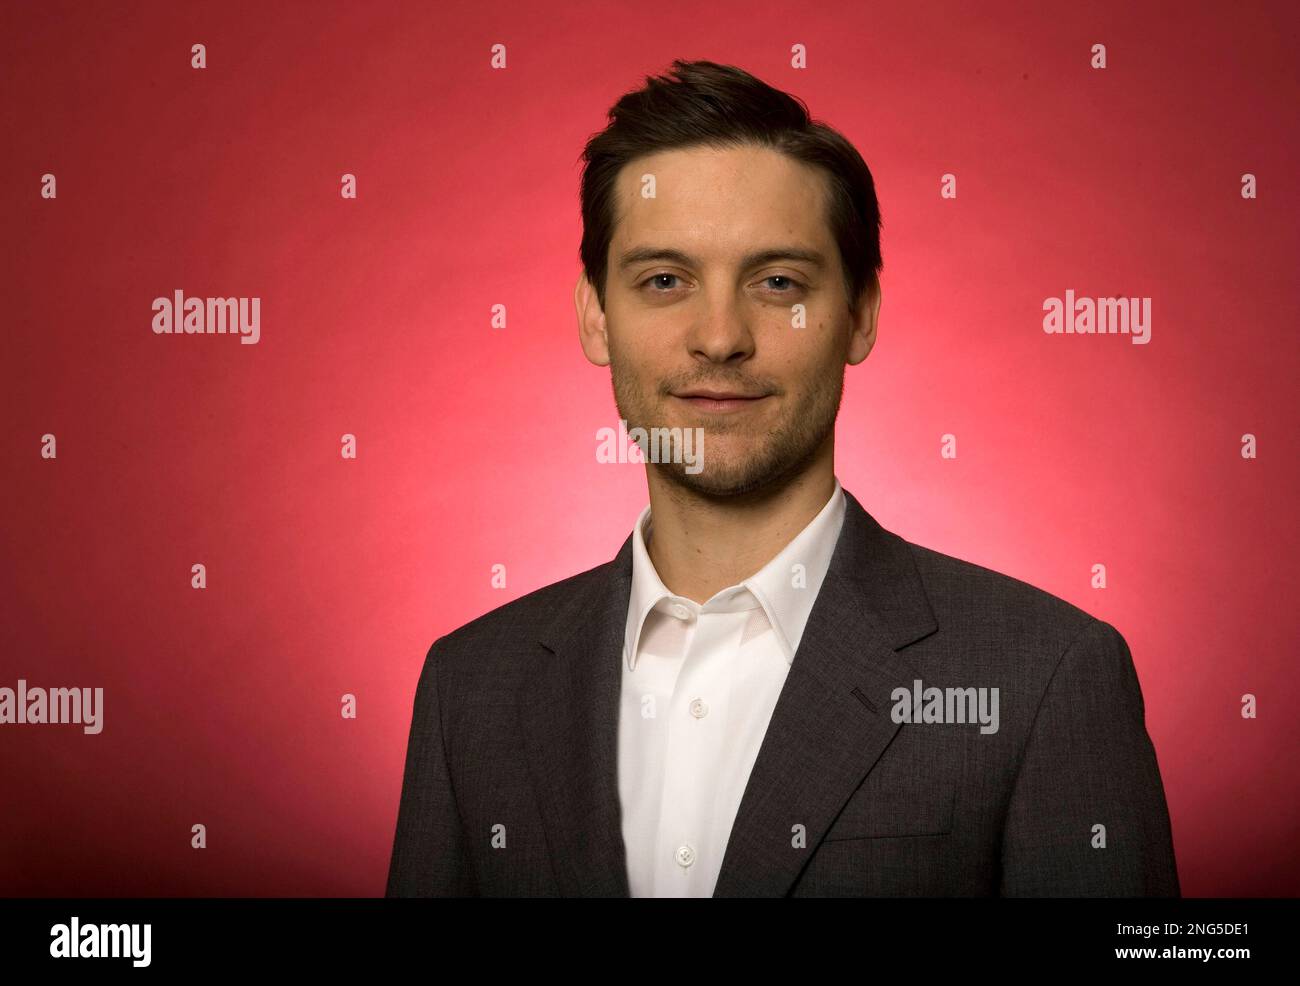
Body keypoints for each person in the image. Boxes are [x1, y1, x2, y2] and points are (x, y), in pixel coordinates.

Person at [385, 59, 1179, 897]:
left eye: (777, 283)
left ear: (860, 314)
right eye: (665, 280)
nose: (721, 336)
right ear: (595, 315)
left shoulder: (1046, 675)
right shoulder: (469, 688)